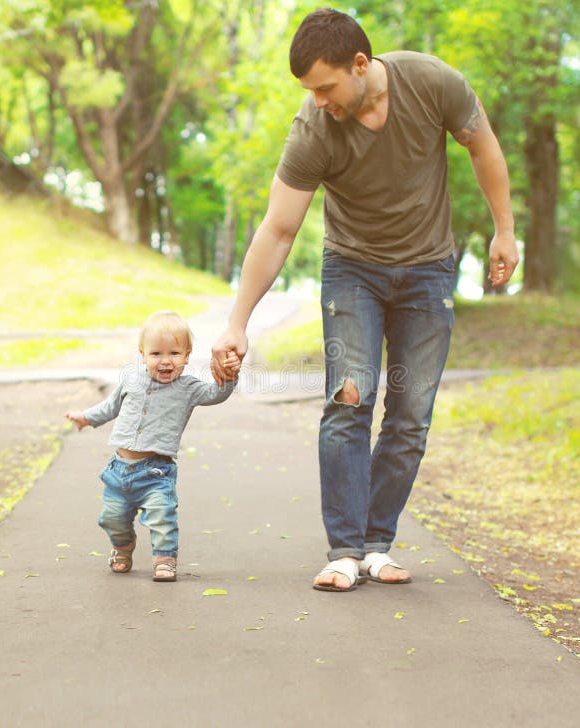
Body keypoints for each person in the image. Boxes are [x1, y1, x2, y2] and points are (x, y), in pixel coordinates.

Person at [211, 9, 518, 592]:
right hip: (352, 270)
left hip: (429, 271)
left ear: (360, 64)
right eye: (310, 91)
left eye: (325, 87)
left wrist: (505, 229)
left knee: (409, 416)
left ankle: (378, 543)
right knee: (350, 400)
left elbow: (482, 145)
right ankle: (345, 550)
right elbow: (278, 230)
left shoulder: (431, 83)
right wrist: (237, 322)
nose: (318, 101)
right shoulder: (313, 130)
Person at [66, 310, 240, 582]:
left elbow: (216, 394)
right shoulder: (130, 379)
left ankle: (165, 560)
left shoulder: (188, 387)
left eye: (174, 353)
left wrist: (228, 377)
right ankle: (123, 548)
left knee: (163, 518)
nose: (165, 361)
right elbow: (111, 406)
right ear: (142, 353)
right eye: (156, 354)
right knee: (112, 518)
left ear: (187, 354)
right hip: (118, 470)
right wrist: (86, 417)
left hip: (156, 472)